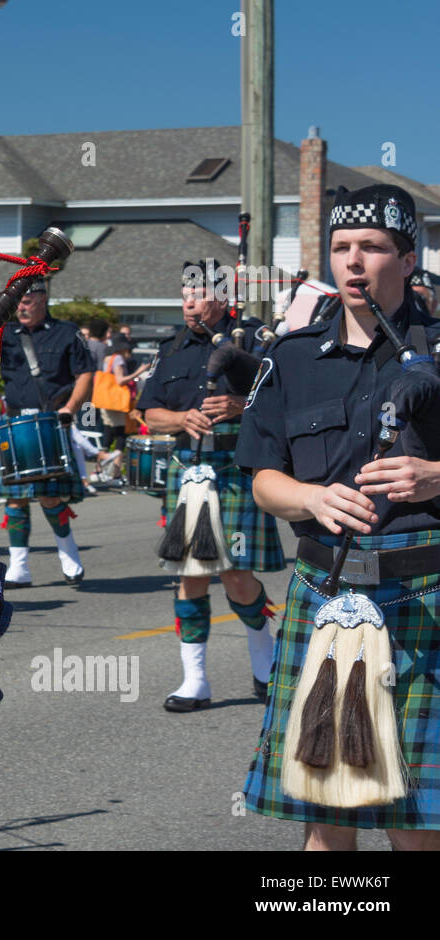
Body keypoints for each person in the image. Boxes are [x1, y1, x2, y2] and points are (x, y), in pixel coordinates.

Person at [237, 184, 440, 850]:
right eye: (342, 247)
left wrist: (435, 475)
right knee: (326, 817)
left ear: (408, 260)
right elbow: (265, 480)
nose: (355, 261)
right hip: (325, 594)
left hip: (423, 595)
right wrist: (313, 498)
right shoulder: (291, 358)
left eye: (374, 247)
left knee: (415, 823)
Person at [137, 260, 286, 712]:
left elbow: (286, 398)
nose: (188, 304)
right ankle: (195, 681)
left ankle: (266, 661)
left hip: (237, 467)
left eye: (197, 295)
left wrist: (244, 405)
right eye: (183, 296)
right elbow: (149, 412)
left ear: (222, 297)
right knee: (191, 575)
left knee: (237, 576)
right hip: (191, 470)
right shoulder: (172, 349)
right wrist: (181, 418)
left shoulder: (255, 338)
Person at [0, 278, 94, 587]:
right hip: (15, 423)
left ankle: (69, 555)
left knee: (49, 496)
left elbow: (85, 373)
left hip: (51, 422)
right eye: (18, 301)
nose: (21, 306)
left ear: (43, 298)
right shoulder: (6, 334)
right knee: (15, 500)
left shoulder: (67, 333)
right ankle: (19, 569)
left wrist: (69, 410)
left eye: (28, 300)